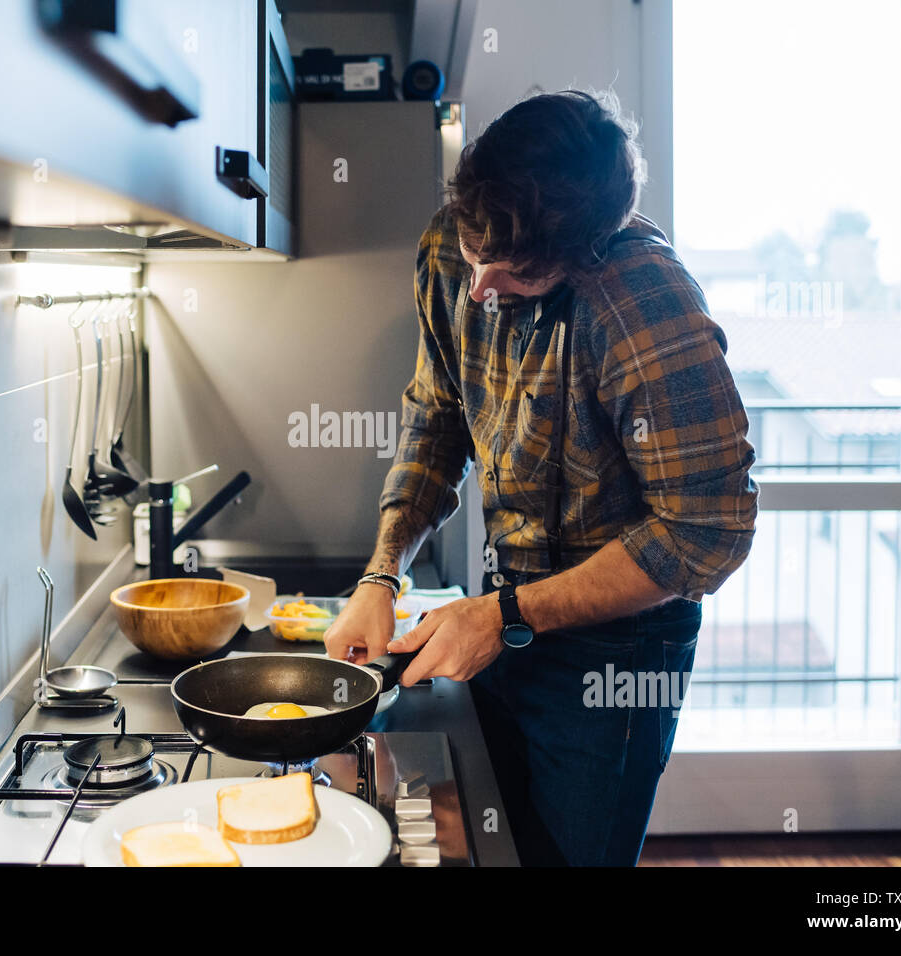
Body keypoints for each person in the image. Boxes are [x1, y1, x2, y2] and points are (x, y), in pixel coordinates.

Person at [322, 90, 759, 866]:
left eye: (514, 271)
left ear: (584, 252)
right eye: (472, 249)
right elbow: (438, 416)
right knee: (498, 844)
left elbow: (705, 532)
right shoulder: (451, 247)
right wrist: (380, 576)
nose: (481, 285)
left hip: (617, 653)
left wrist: (506, 614)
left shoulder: (642, 302)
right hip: (503, 608)